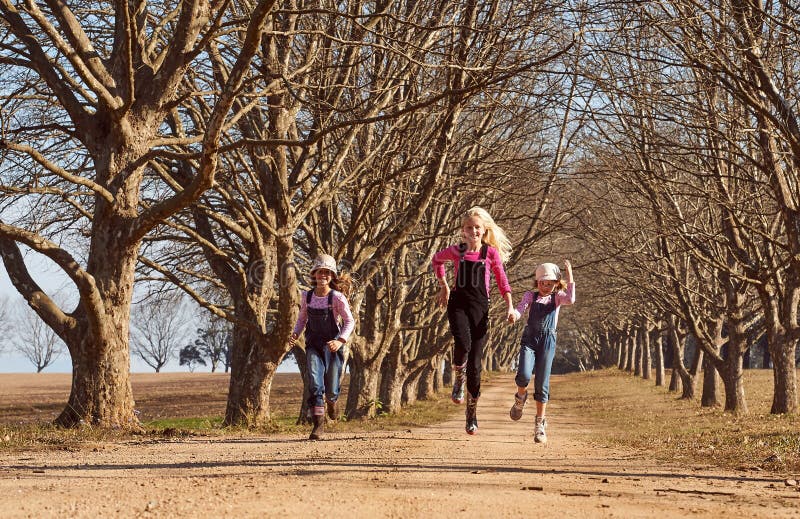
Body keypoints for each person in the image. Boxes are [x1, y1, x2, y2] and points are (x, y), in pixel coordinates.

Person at [432, 206, 515, 435]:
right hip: (458, 303)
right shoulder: (457, 250)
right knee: (463, 344)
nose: (474, 231)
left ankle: (471, 414)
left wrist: (509, 307)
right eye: (469, 227)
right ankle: (458, 375)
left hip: (481, 309)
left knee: (476, 367)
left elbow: (502, 282)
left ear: (484, 229)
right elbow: (436, 260)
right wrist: (444, 285)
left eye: (477, 227)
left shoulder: (490, 253)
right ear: (463, 231)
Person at [289, 254, 355, 440]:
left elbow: (350, 321)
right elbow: (302, 319)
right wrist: (295, 334)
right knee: (315, 384)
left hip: (332, 346)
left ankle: (332, 401)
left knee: (332, 388)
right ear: (314, 274)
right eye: (320, 272)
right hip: (313, 346)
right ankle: (318, 425)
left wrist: (340, 340)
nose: (323, 276)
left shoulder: (337, 297)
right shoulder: (307, 296)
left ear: (332, 276)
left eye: (327, 273)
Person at [509, 260, 575, 444]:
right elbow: (521, 308)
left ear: (556, 283)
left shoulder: (558, 297)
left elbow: (571, 299)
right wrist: (514, 314)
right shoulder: (531, 296)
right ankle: (520, 398)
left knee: (542, 383)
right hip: (530, 339)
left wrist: (570, 276)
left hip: (548, 341)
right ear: (537, 282)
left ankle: (540, 424)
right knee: (522, 375)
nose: (545, 287)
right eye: (542, 283)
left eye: (549, 283)